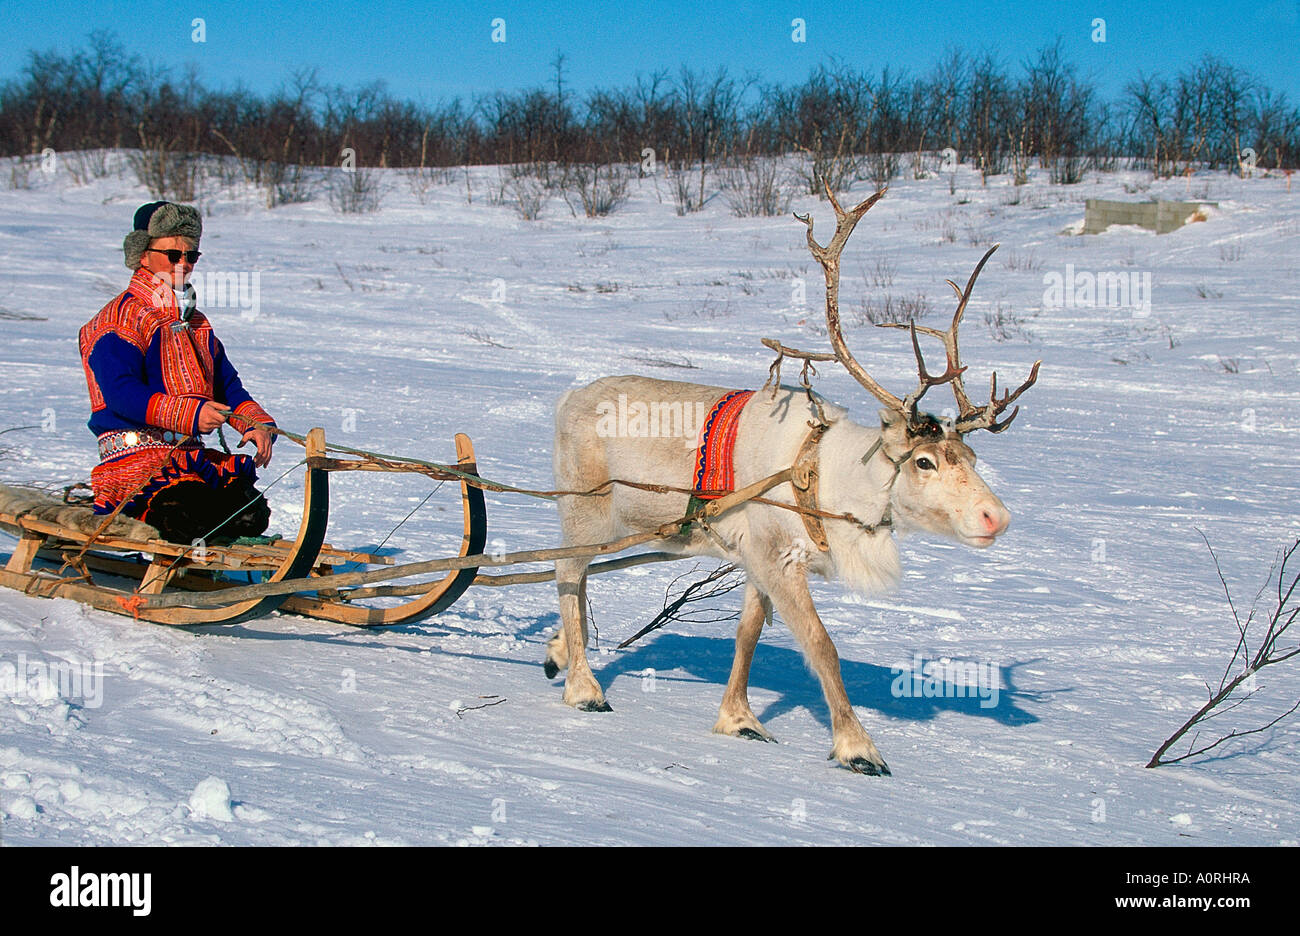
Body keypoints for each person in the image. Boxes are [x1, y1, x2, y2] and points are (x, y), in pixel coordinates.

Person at [79, 201, 276, 544]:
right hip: (136, 462)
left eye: (191, 256)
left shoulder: (194, 324)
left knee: (251, 514)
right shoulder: (118, 319)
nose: (183, 264)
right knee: (190, 515)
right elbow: (120, 392)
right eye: (173, 254)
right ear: (143, 254)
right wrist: (190, 413)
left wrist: (256, 425)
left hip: (188, 459)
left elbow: (225, 386)